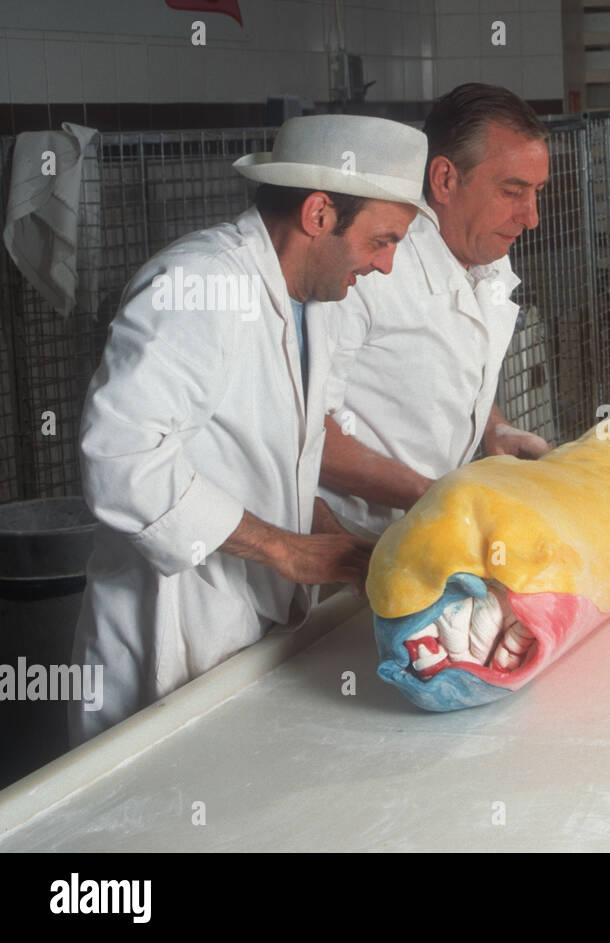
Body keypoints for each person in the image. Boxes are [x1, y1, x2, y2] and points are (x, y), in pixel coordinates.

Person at [71, 115, 432, 742]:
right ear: (319, 214)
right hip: (174, 627)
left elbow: (285, 456)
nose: (386, 265)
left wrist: (343, 549)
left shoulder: (314, 304)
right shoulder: (200, 285)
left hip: (254, 627)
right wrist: (287, 550)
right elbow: (120, 458)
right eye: (382, 240)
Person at [319, 84, 552, 540]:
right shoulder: (371, 265)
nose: (532, 216)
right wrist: (438, 495)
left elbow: (452, 364)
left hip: (427, 527)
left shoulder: (484, 252)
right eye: (513, 191)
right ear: (445, 180)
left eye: (537, 191)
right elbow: (305, 430)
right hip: (345, 539)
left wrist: (494, 429)